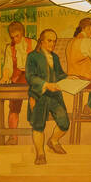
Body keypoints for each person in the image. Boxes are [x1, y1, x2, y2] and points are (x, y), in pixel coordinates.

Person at [26, 29, 71, 164]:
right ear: (42, 41)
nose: (53, 43)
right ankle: (40, 154)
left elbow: (59, 74)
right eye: (49, 40)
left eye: (54, 41)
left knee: (64, 123)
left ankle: (53, 141)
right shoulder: (33, 56)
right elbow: (30, 77)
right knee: (38, 125)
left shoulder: (55, 57)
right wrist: (45, 84)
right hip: (39, 95)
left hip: (55, 96)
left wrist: (69, 78)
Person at [0, 20, 34, 139]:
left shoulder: (33, 43)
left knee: (35, 106)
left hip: (31, 79)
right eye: (12, 37)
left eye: (17, 36)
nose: (15, 39)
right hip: (17, 79)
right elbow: (8, 66)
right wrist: (5, 76)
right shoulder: (10, 48)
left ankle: (37, 137)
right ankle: (13, 138)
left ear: (22, 33)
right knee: (13, 109)